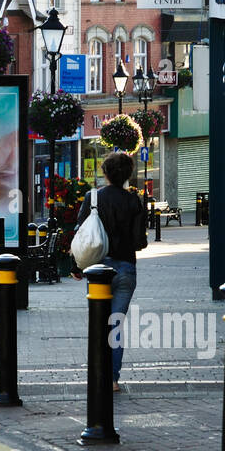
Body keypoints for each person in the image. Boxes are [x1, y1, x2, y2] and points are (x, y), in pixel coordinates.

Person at [70, 152, 147, 391]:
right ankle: (113, 379)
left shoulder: (92, 198)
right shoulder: (134, 201)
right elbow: (139, 242)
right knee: (115, 325)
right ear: (127, 175)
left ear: (105, 172)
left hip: (97, 271)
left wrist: (76, 267)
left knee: (98, 323)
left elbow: (80, 236)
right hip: (125, 269)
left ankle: (97, 374)